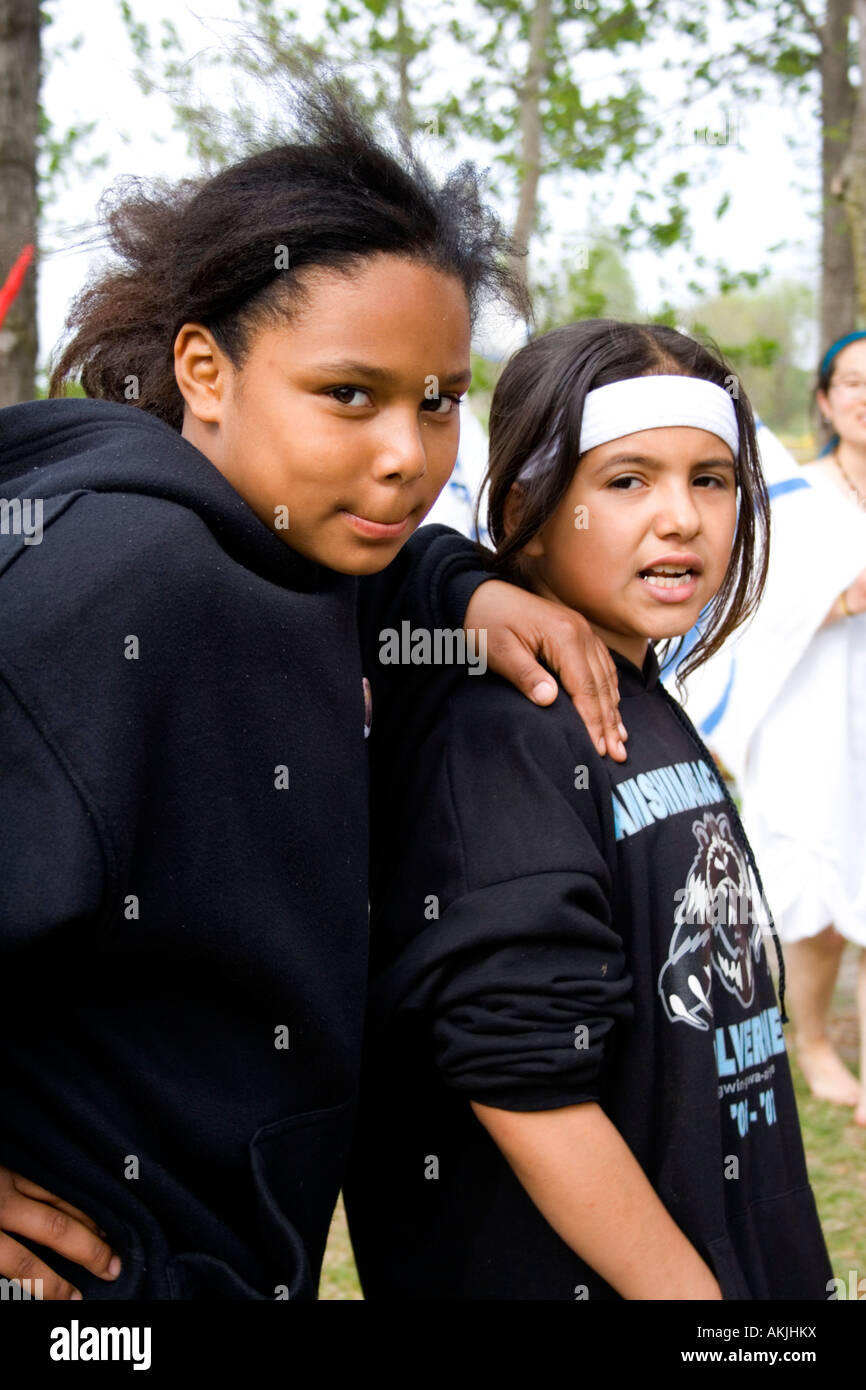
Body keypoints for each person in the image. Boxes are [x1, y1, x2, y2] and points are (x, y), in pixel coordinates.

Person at [0, 72, 628, 1301]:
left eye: (439, 401)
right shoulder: (121, 581)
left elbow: (354, 584)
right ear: (205, 370)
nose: (408, 456)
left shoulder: (280, 543)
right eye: (349, 395)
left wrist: (457, 586)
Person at [343, 318, 833, 1300]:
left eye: (710, 479)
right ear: (527, 500)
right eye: (625, 481)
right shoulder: (503, 728)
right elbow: (522, 1079)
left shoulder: (628, 687)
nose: (681, 518)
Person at [673, 334, 866, 1117]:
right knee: (816, 898)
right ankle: (812, 1038)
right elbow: (750, 602)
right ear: (825, 400)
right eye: (853, 382)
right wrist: (841, 594)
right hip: (811, 713)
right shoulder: (787, 495)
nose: (865, 396)